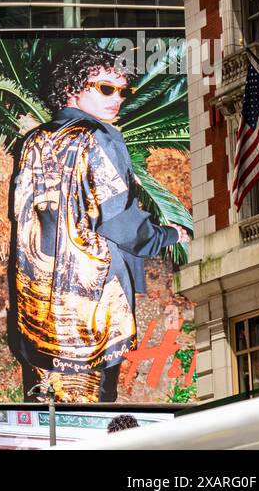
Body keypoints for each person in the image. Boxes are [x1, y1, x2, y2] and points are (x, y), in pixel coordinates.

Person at [11, 44, 190, 405]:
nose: (118, 99)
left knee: (50, 416)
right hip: (90, 308)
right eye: (106, 89)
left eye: (123, 91)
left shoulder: (32, 141)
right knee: (90, 417)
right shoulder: (99, 136)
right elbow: (121, 221)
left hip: (37, 306)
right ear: (71, 88)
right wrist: (169, 234)